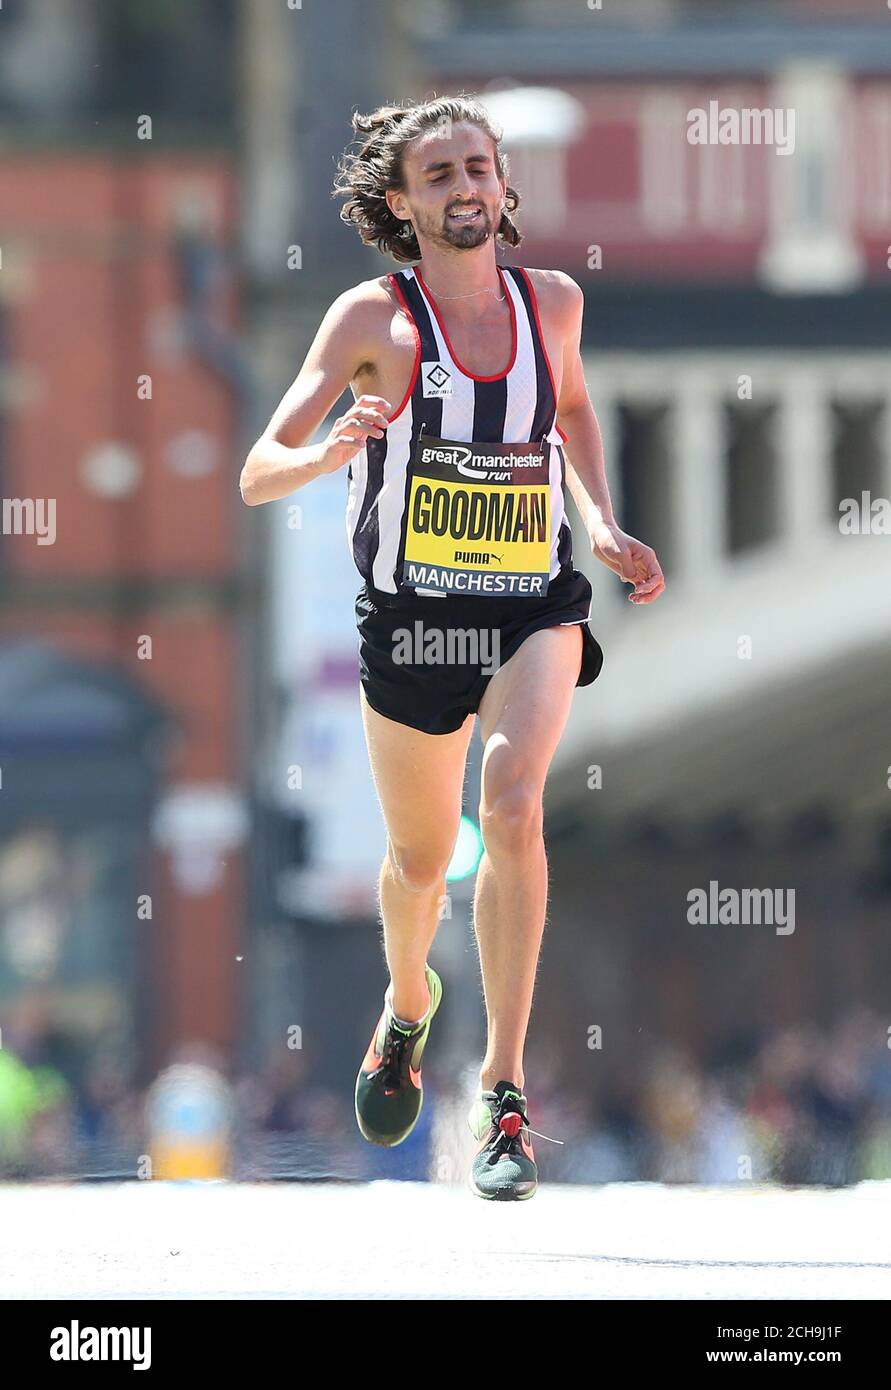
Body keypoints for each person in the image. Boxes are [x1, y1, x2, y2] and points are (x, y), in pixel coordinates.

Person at [240, 95, 664, 1200]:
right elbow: (257, 470)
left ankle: (504, 1096)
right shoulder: (368, 320)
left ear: (503, 184)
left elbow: (570, 414)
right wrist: (327, 451)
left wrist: (601, 522)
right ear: (401, 203)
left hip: (532, 603)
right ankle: (407, 1005)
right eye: (439, 175)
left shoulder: (554, 303)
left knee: (511, 801)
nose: (466, 187)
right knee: (421, 864)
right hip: (413, 620)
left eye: (479, 167)